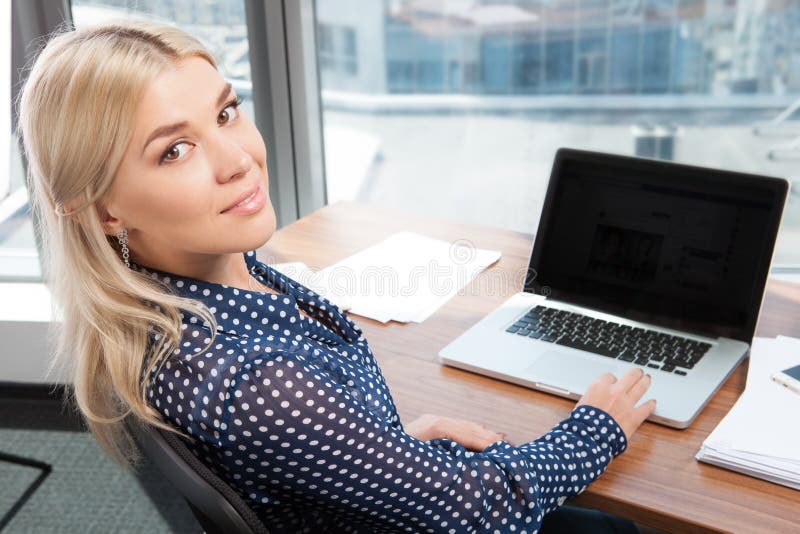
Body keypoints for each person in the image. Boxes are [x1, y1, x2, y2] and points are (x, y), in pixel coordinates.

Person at [17, 20, 656, 533]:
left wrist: (378, 449)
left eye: (226, 112)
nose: (238, 159)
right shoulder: (250, 381)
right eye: (174, 150)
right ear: (104, 210)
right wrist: (596, 427)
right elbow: (480, 509)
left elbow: (276, 454)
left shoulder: (205, 285)